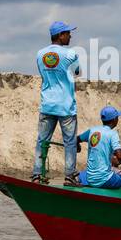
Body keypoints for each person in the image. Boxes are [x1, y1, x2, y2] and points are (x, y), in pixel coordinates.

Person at [32, 21, 82, 185]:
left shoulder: (40, 54)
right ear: (60, 35)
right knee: (69, 143)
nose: (70, 36)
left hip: (47, 104)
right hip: (66, 106)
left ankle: (37, 175)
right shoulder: (70, 54)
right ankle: (69, 176)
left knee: (42, 141)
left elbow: (43, 74)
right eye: (68, 33)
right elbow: (78, 72)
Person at [78, 106, 121, 191]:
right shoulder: (112, 134)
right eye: (117, 117)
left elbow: (76, 139)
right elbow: (120, 155)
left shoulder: (92, 131)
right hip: (105, 180)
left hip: (90, 179)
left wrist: (78, 146)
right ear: (114, 119)